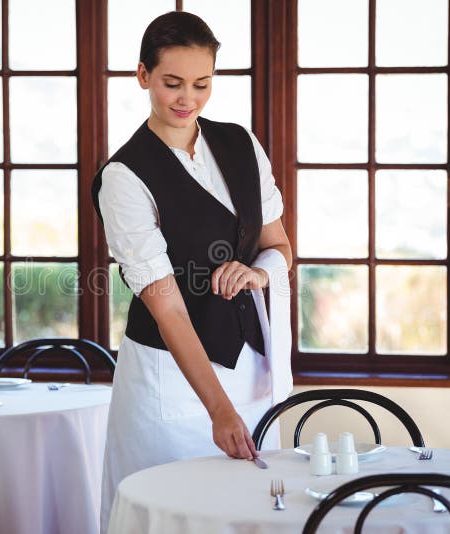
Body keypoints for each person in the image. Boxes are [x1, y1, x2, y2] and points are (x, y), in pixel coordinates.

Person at [91, 11, 292, 533]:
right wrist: (218, 410)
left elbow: (278, 246)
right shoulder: (124, 176)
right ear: (142, 76)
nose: (188, 99)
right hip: (172, 384)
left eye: (202, 84)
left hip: (250, 369)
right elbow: (167, 304)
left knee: (250, 518)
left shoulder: (241, 144)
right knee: (172, 518)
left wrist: (259, 276)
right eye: (172, 83)